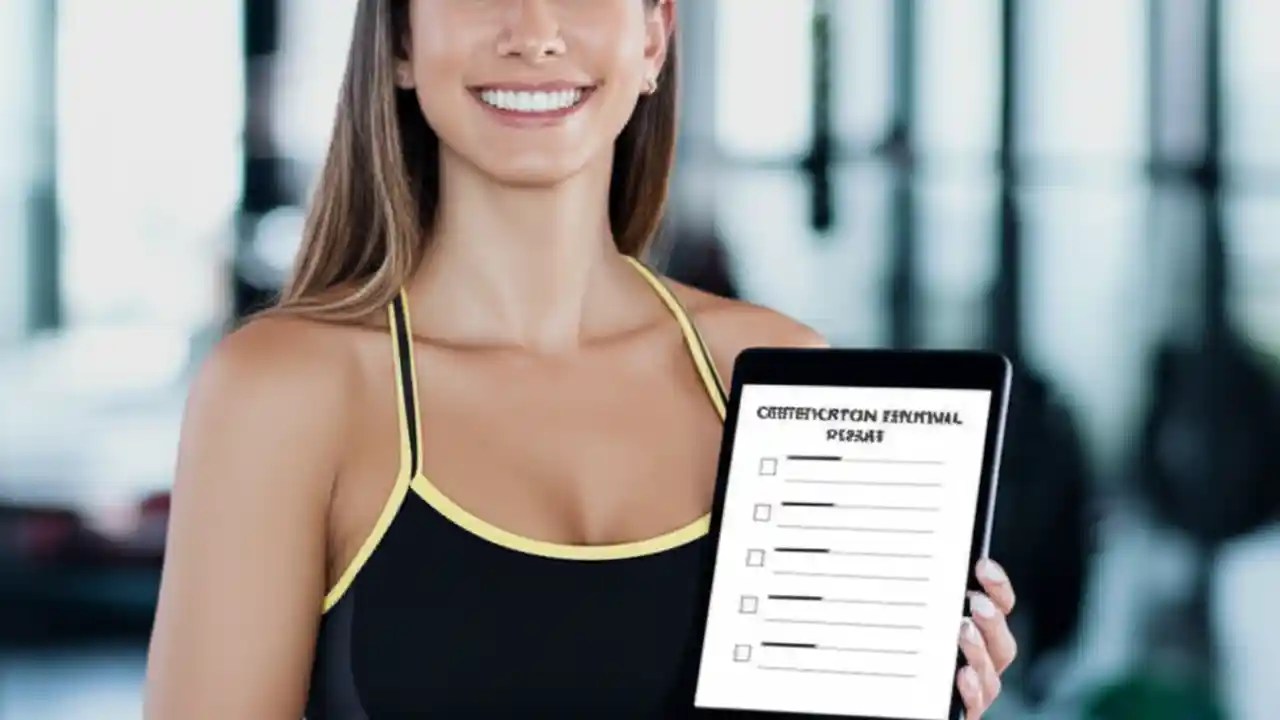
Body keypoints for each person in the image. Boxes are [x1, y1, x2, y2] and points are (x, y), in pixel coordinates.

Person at [143, 0, 1018, 717]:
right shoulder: (283, 391)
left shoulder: (776, 371)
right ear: (401, 40)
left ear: (653, 36)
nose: (534, 30)